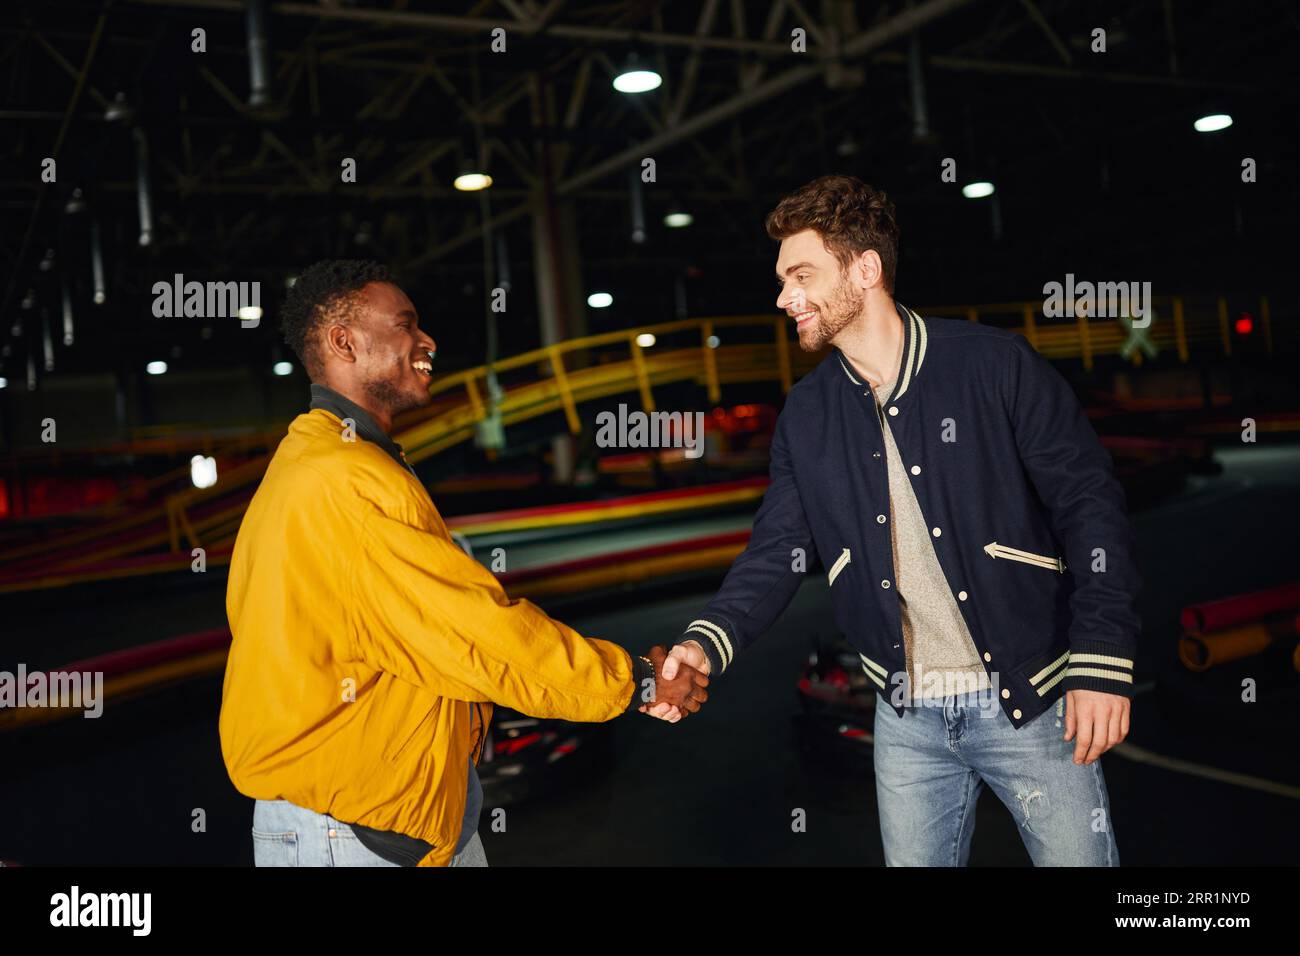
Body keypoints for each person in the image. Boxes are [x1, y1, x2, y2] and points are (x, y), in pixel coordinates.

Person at [645, 175, 1141, 866]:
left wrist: (1102, 660)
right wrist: (703, 644)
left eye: (801, 275)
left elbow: (1091, 507)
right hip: (905, 717)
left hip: (1034, 697)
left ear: (866, 270)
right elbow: (778, 549)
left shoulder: (995, 366)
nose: (784, 297)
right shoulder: (808, 413)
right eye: (783, 279)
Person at [219, 260, 707, 867]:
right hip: (358, 834)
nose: (427, 342)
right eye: (405, 326)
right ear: (343, 341)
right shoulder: (346, 479)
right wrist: (632, 679)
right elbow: (476, 634)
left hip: (361, 817)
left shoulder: (309, 460)